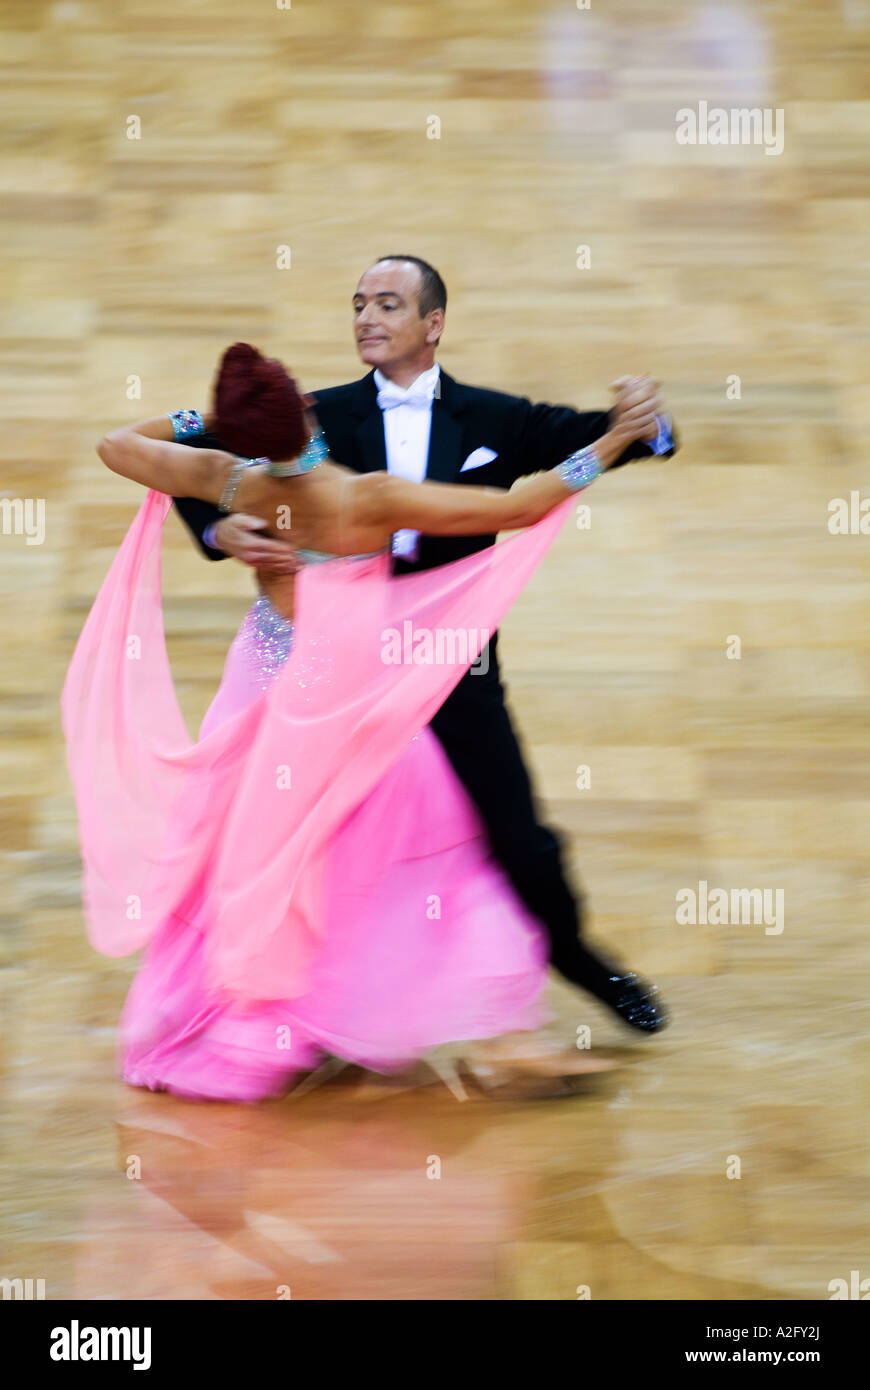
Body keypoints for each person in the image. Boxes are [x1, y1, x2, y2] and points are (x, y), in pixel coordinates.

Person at [61, 344, 660, 1103]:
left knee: (263, 849)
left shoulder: (226, 477)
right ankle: (479, 1031)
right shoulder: (362, 499)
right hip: (343, 695)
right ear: (304, 412)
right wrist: (606, 445)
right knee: (430, 840)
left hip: (261, 683)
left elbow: (117, 444)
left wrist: (211, 422)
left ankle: (289, 1022)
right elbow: (520, 506)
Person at [173, 255, 677, 1029]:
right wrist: (222, 527)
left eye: (387, 304)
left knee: (518, 833)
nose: (367, 318)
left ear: (432, 324)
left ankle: (580, 961)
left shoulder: (496, 419)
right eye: (358, 305)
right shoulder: (316, 416)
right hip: (340, 666)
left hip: (452, 662)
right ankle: (311, 1009)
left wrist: (648, 417)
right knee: (309, 835)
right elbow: (196, 458)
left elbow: (614, 438)